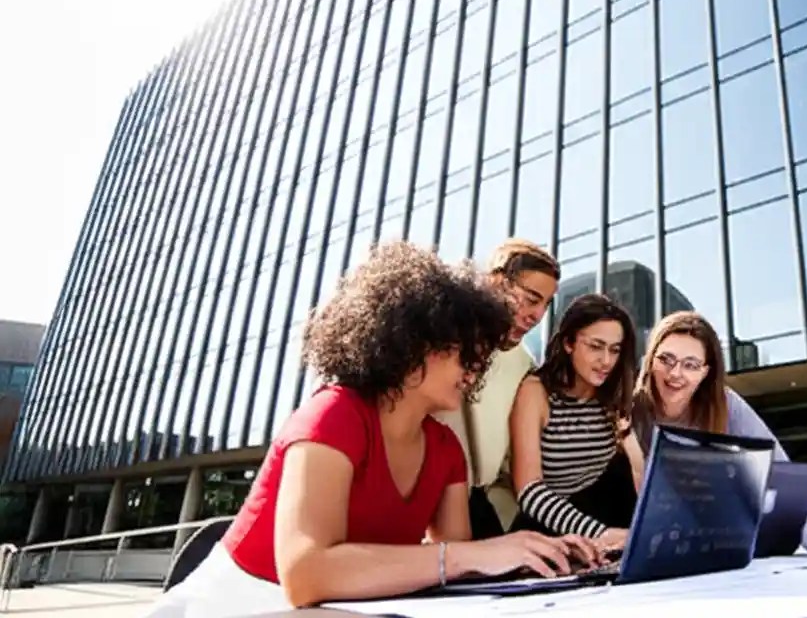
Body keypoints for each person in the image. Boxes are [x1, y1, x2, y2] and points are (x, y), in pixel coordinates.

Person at [146, 242, 599, 616]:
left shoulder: (445, 451)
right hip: (234, 603)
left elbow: (452, 566)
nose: (475, 371)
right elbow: (305, 577)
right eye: (466, 356)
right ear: (416, 344)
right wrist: (472, 555)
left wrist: (536, 554)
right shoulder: (333, 415)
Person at [432, 238, 560, 540]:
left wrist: (500, 519)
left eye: (545, 305)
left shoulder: (524, 365)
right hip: (420, 507)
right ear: (496, 282)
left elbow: (510, 464)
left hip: (480, 515)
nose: (537, 316)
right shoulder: (436, 336)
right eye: (530, 299)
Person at [508, 293, 644, 547]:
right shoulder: (536, 391)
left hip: (614, 520)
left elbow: (637, 473)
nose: (606, 361)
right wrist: (598, 534)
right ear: (569, 343)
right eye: (595, 346)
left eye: (615, 350)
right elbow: (528, 490)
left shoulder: (614, 395)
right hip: (554, 526)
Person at [631, 311, 788, 461]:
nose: (675, 373)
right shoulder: (627, 405)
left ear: (705, 372)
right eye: (666, 359)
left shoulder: (725, 404)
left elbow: (779, 467)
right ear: (650, 360)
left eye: (690, 365)